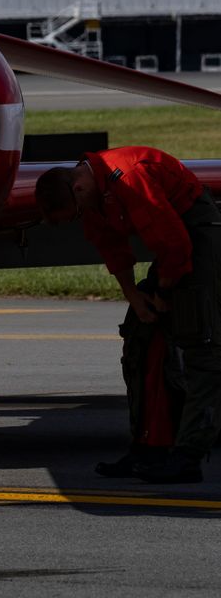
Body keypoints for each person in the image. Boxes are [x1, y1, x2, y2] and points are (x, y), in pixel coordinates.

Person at [36, 146, 221, 483]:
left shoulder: (129, 178)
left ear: (78, 190)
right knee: (141, 337)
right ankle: (148, 447)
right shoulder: (90, 191)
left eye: (76, 214)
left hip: (199, 233)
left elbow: (176, 245)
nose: (81, 217)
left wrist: (162, 294)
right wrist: (136, 298)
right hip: (174, 245)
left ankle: (189, 456)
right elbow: (111, 248)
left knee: (203, 345)